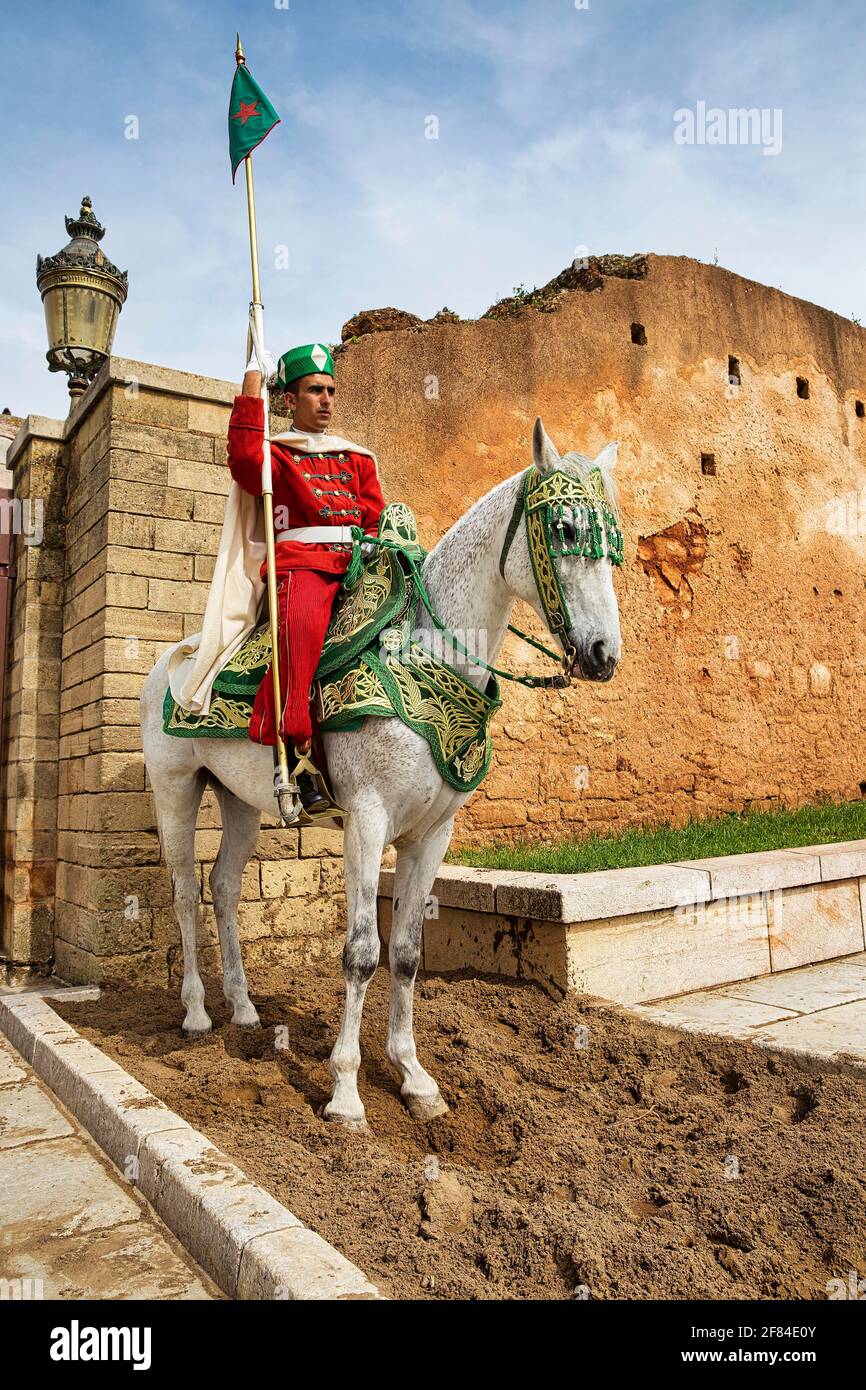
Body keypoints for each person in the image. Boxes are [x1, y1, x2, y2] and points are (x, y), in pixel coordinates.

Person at [226, 341, 386, 813]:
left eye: (331, 390)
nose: (327, 400)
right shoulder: (275, 455)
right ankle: (295, 756)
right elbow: (242, 459)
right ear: (290, 400)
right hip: (302, 566)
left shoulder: (357, 458)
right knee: (303, 634)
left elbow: (373, 515)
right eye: (315, 390)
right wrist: (253, 375)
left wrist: (379, 543)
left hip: (358, 563)